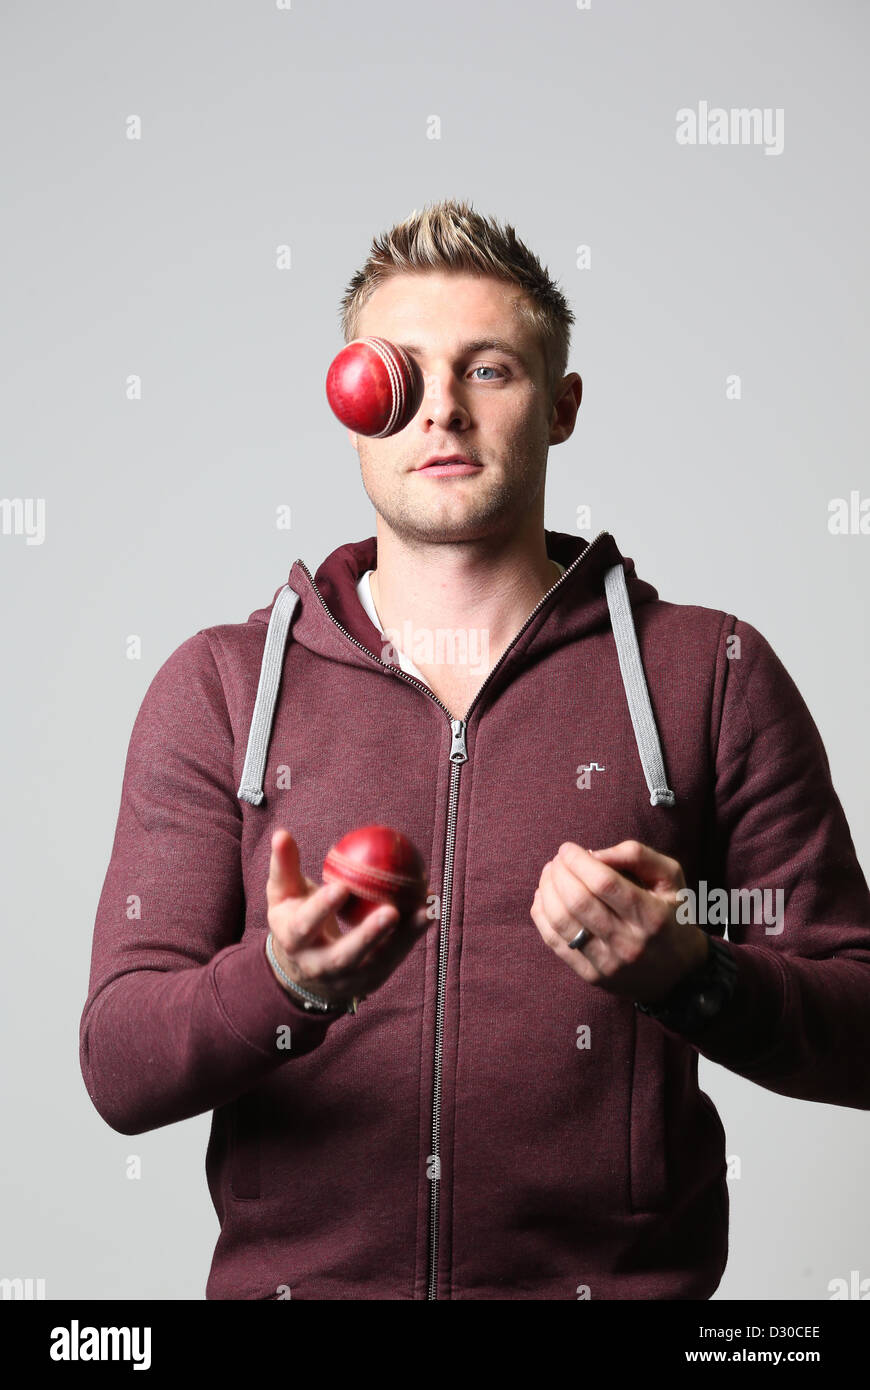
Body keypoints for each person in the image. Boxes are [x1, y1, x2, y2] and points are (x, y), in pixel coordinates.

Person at [80, 198, 870, 1301]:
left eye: (489, 370)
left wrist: (700, 974)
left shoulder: (713, 673)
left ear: (562, 407)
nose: (440, 409)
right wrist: (284, 983)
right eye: (399, 374)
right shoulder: (219, 685)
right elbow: (118, 1062)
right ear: (354, 407)